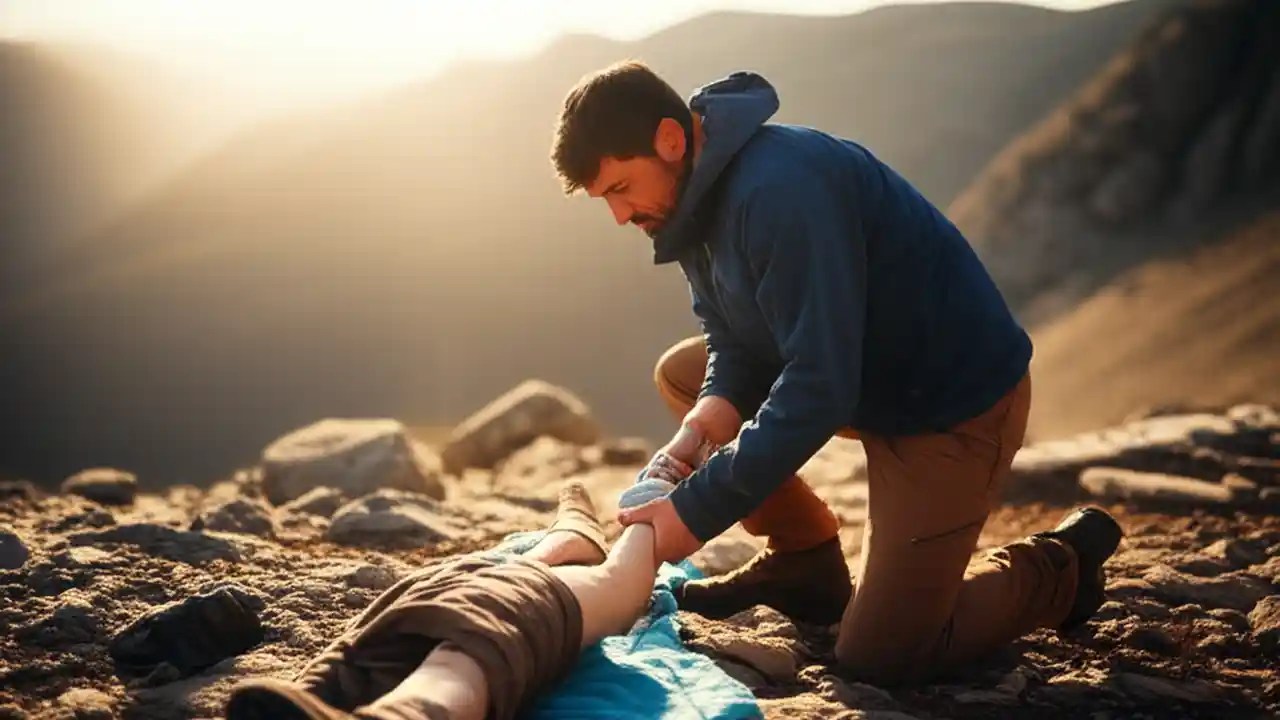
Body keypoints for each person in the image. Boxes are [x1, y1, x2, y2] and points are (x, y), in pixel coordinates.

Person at [549, 61, 1123, 684]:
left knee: (881, 656)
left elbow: (820, 386)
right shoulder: (689, 199)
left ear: (669, 140)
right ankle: (806, 564)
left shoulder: (779, 190)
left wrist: (693, 512)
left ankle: (1061, 567)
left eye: (619, 188)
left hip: (948, 405)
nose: (619, 215)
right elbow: (732, 336)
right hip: (862, 374)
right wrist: (702, 425)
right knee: (684, 375)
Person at [224, 478, 682, 720]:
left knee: (422, 664)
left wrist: (640, 506)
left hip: (428, 599)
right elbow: (621, 580)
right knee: (449, 654)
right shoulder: (538, 581)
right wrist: (653, 501)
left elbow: (609, 574)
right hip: (458, 594)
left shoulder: (529, 578)